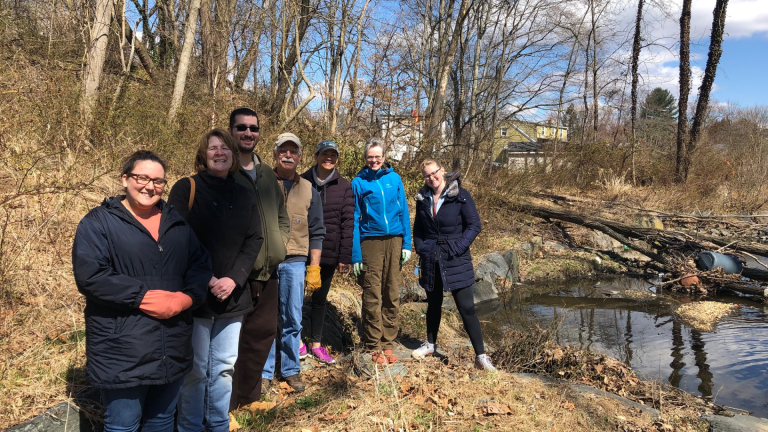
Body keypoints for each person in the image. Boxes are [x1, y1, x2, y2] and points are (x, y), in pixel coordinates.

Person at [72, 150, 211, 432]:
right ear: (125, 179)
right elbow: (91, 275)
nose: (150, 186)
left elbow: (200, 265)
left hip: (172, 343)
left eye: (158, 181)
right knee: (123, 425)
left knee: (162, 422)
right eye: (142, 178)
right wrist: (144, 297)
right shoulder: (99, 222)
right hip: (122, 349)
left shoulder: (177, 224)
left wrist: (186, 299)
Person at [169, 129, 264, 432]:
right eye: (213, 148)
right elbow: (176, 236)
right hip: (196, 294)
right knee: (195, 368)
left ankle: (218, 425)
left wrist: (234, 279)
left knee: (223, 368)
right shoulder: (186, 188)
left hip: (232, 297)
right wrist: (207, 278)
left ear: (234, 156)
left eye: (225, 148)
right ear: (203, 154)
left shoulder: (245, 193)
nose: (219, 153)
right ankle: (190, 426)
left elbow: (254, 239)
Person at [227, 108, 291, 408]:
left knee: (262, 334)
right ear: (231, 131)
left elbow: (282, 215)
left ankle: (249, 399)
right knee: (233, 339)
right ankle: (226, 403)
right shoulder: (225, 172)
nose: (248, 133)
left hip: (269, 270)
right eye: (241, 127)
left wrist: (280, 242)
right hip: (237, 274)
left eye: (253, 128)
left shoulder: (266, 174)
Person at [411, 159, 495, 371]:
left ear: (443, 171)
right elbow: (418, 229)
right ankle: (430, 345)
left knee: (467, 308)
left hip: (456, 259)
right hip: (431, 259)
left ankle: (481, 357)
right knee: (433, 305)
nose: (432, 178)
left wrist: (458, 248)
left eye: (434, 172)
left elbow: (474, 225)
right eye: (427, 175)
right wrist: (422, 248)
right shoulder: (422, 199)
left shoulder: (461, 195)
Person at [261, 133, 325, 393]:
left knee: (293, 318)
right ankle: (264, 372)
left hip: (296, 261)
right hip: (265, 261)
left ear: (300, 157)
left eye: (293, 151)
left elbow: (317, 232)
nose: (288, 155)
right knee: (266, 318)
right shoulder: (261, 183)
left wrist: (314, 267)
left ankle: (290, 369)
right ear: (275, 154)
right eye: (283, 151)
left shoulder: (309, 189)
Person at [351, 137, 411, 364]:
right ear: (365, 158)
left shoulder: (394, 179)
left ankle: (388, 342)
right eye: (370, 157)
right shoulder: (358, 183)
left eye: (378, 156)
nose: (374, 160)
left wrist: (407, 244)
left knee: (392, 292)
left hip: (394, 240)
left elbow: (404, 212)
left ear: (384, 157)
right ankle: (373, 344)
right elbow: (354, 219)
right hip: (370, 242)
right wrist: (356, 254)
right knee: (372, 293)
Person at [300, 140, 354, 364]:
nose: (329, 158)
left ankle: (316, 344)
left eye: (333, 155)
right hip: (301, 250)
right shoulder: (302, 181)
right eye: (325, 154)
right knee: (295, 298)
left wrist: (344, 256)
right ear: (316, 156)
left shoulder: (344, 186)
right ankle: (297, 341)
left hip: (329, 251)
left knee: (319, 300)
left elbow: (348, 223)